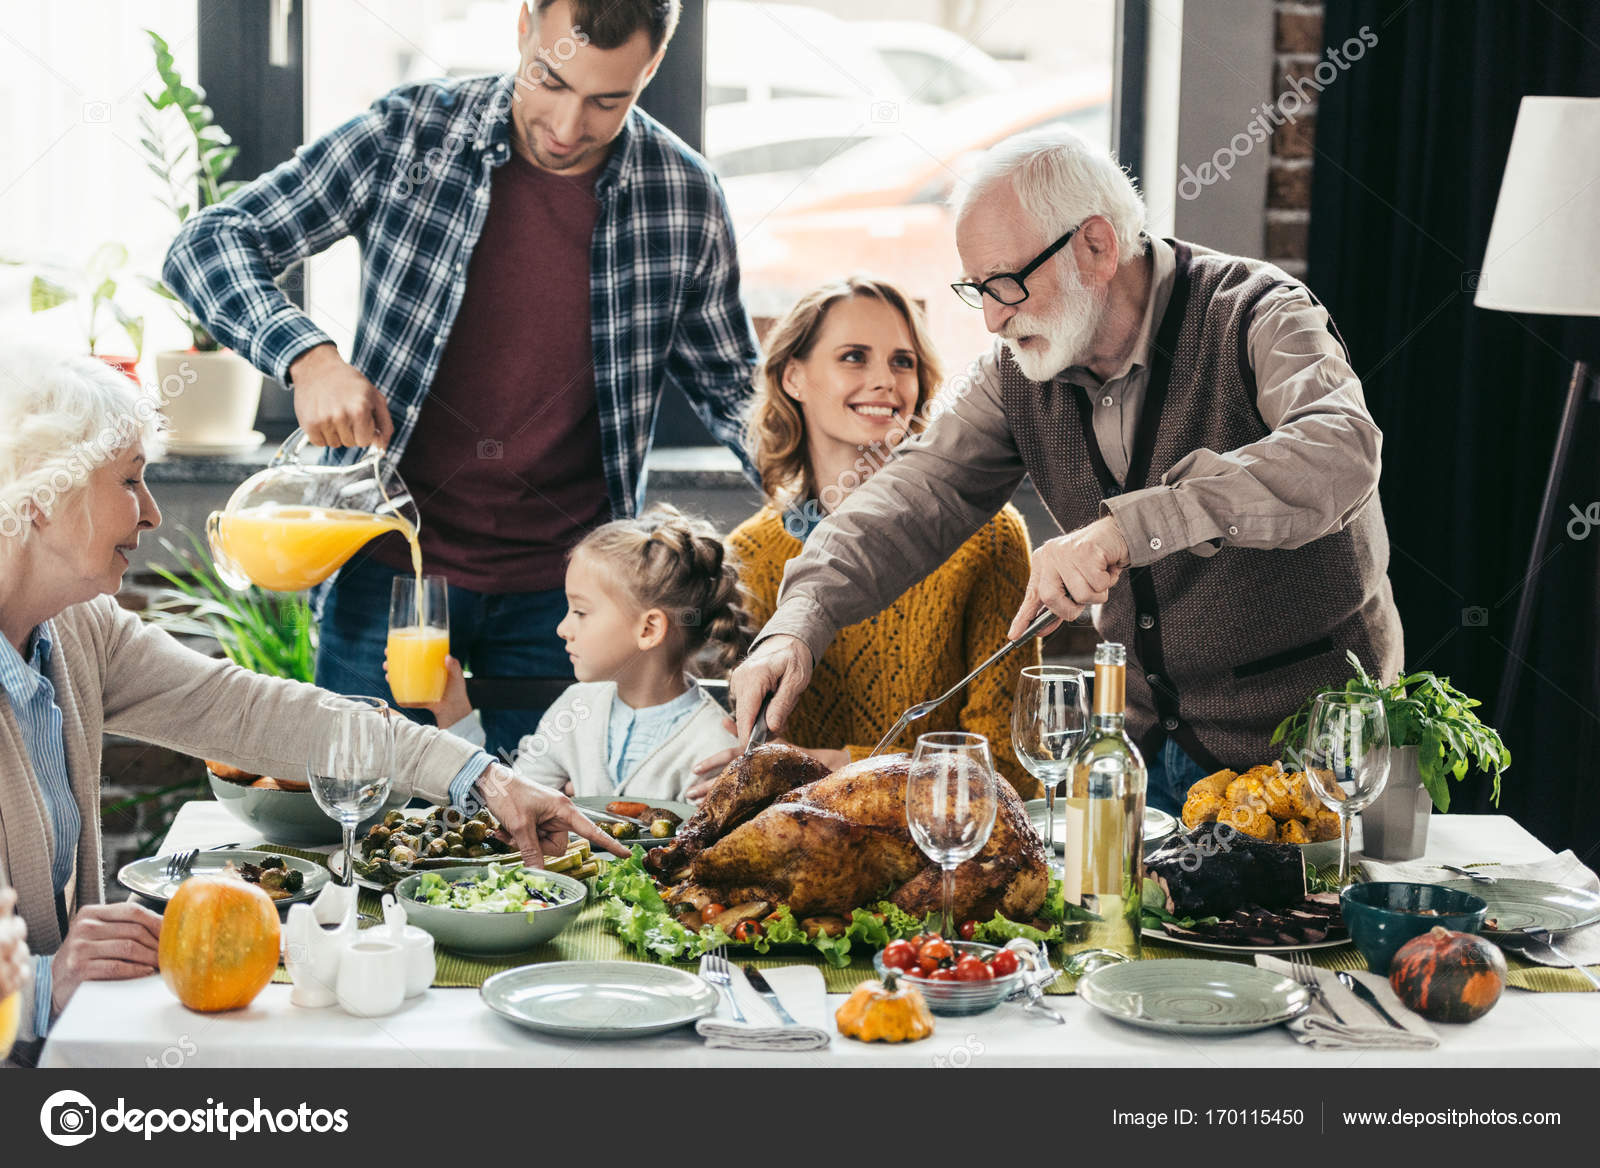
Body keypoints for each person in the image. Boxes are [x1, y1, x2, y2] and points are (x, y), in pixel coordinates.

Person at [729, 125, 1404, 817]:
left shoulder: (1260, 312)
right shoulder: (1015, 372)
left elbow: (1338, 450)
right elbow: (915, 492)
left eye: (1009, 284)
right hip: (1146, 756)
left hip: (1319, 760)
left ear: (1097, 246)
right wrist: (798, 621)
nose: (993, 318)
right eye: (978, 290)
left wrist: (1121, 531)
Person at [162, 0, 759, 759]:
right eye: (550, 80)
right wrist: (307, 357)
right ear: (523, 29)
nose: (568, 127)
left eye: (608, 101)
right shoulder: (411, 133)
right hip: (388, 574)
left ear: (650, 70)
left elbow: (739, 393)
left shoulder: (681, 195)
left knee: (547, 842)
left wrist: (842, 514)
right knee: (367, 815)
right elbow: (207, 244)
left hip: (570, 601)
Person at [0, 346, 625, 1066]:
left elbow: (249, 711)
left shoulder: (79, 630)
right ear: (41, 495)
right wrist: (43, 986)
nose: (152, 513)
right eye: (132, 481)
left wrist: (486, 778)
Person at [687, 276, 1038, 799]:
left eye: (904, 362)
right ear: (793, 378)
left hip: (937, 851)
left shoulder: (989, 538)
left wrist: (845, 767)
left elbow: (1010, 767)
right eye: (854, 356)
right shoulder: (748, 554)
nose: (886, 382)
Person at [399, 506, 744, 801]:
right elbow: (505, 805)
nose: (562, 628)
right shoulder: (575, 706)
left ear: (648, 629)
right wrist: (456, 715)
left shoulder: (716, 746)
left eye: (580, 612)